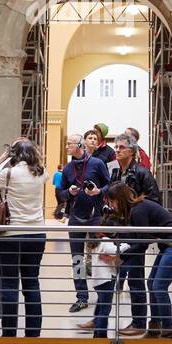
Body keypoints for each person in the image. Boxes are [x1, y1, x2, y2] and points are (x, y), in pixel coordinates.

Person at [101, 182, 172, 339]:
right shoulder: (134, 210)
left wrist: (120, 256)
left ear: (120, 199)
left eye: (113, 202)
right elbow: (140, 241)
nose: (112, 206)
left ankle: (167, 330)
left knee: (158, 286)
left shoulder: (138, 210)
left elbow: (142, 243)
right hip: (169, 244)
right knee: (152, 284)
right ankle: (155, 327)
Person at [0, 139, 47, 338]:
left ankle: (9, 334)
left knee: (9, 283)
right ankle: (33, 334)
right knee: (32, 283)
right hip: (36, 233)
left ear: (14, 155)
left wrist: (1, 159)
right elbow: (41, 166)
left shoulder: (8, 173)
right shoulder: (42, 173)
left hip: (11, 235)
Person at [102, 133, 162, 336]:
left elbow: (154, 200)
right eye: (116, 147)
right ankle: (100, 319)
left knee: (136, 279)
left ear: (132, 150)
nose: (117, 150)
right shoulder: (115, 173)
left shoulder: (143, 173)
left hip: (136, 233)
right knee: (114, 277)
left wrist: (135, 209)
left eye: (121, 148)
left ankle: (139, 322)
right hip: (121, 231)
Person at [59, 133, 111, 313]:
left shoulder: (97, 164)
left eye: (69, 144)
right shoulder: (67, 169)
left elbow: (109, 185)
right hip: (75, 217)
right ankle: (82, 296)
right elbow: (60, 194)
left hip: (96, 216)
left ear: (79, 145)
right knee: (77, 259)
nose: (66, 147)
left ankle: (103, 294)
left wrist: (98, 191)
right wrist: (69, 193)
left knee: (98, 257)